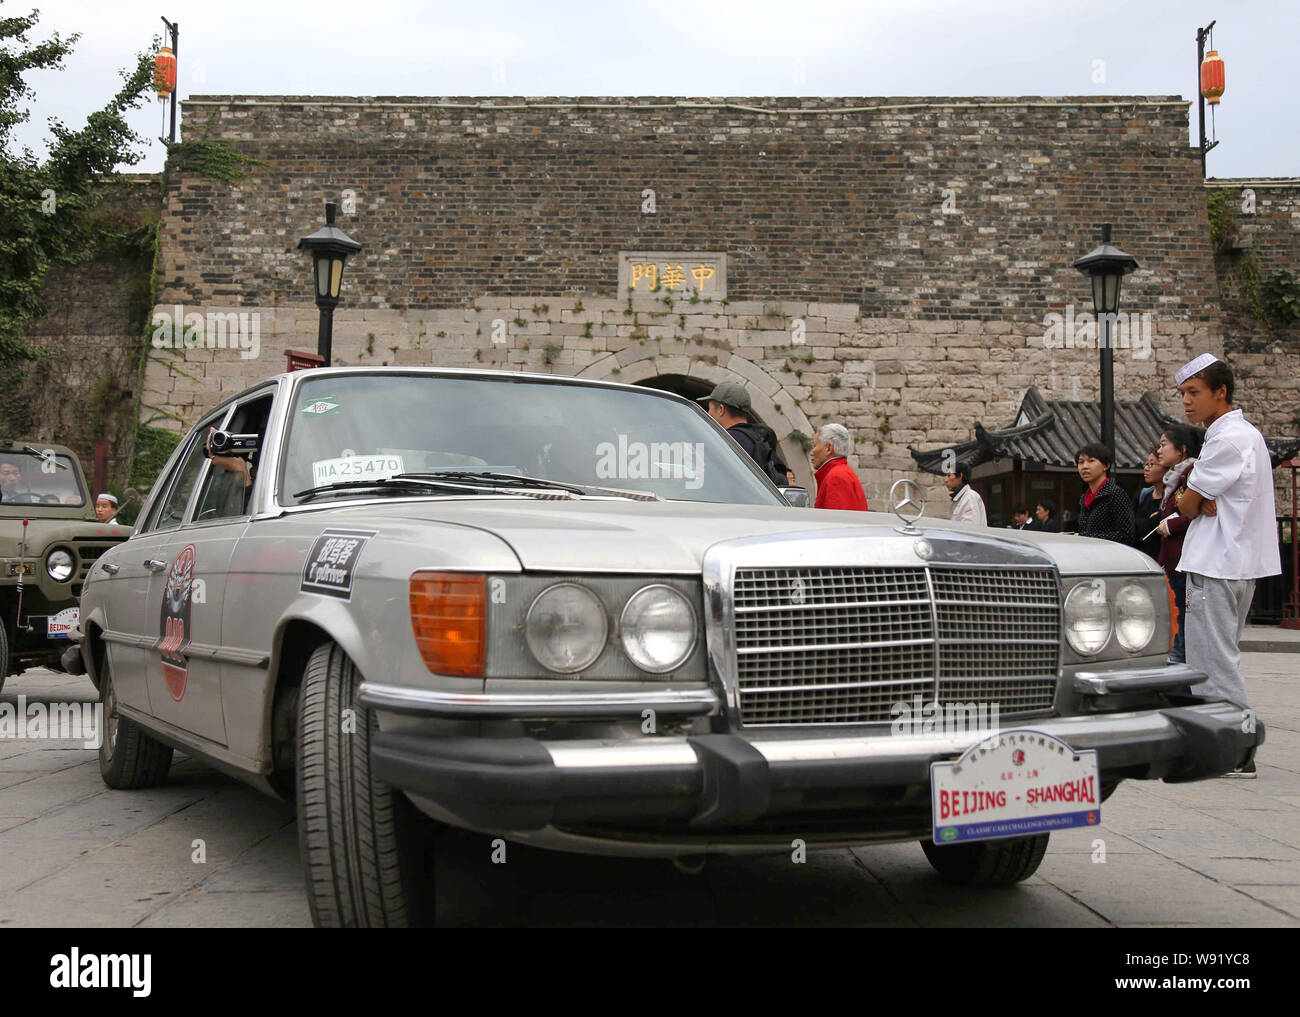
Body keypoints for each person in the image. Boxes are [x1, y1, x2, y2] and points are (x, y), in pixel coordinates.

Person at [1174, 353, 1280, 777]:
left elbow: (1184, 503)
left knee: (1212, 662)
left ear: (1221, 392)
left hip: (1217, 562)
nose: (1186, 402)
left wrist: (1195, 498)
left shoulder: (1225, 439)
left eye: (1194, 393)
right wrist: (1198, 499)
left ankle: (1237, 749)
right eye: (1183, 394)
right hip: (1236, 563)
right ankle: (1224, 745)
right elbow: (1195, 500)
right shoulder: (1245, 435)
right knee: (1220, 657)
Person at [1154, 423, 1203, 667]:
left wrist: (1171, 525)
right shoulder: (1175, 476)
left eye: (1164, 444)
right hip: (1172, 559)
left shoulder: (1191, 473)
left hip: (1182, 559)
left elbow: (1194, 510)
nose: (1159, 450)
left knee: (1183, 620)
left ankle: (1183, 674)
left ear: (1182, 450)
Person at [698, 382, 794, 485]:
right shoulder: (761, 438)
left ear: (721, 409)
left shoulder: (723, 441)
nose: (708, 413)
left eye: (710, 409)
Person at [1074, 442, 1135, 545]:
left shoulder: (1115, 494)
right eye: (1081, 462)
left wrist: (1084, 537)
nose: (1085, 466)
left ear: (1106, 466)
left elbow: (1127, 535)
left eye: (1091, 461)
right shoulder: (1085, 498)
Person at [809, 423, 867, 511]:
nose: (811, 452)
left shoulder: (836, 476)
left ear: (828, 448)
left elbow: (835, 520)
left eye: (815, 445)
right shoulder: (844, 472)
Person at [1134, 444, 1166, 560]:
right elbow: (1130, 525)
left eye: (1152, 464)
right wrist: (1150, 522)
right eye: (1146, 464)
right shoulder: (1143, 495)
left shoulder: (1170, 500)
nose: (1146, 468)